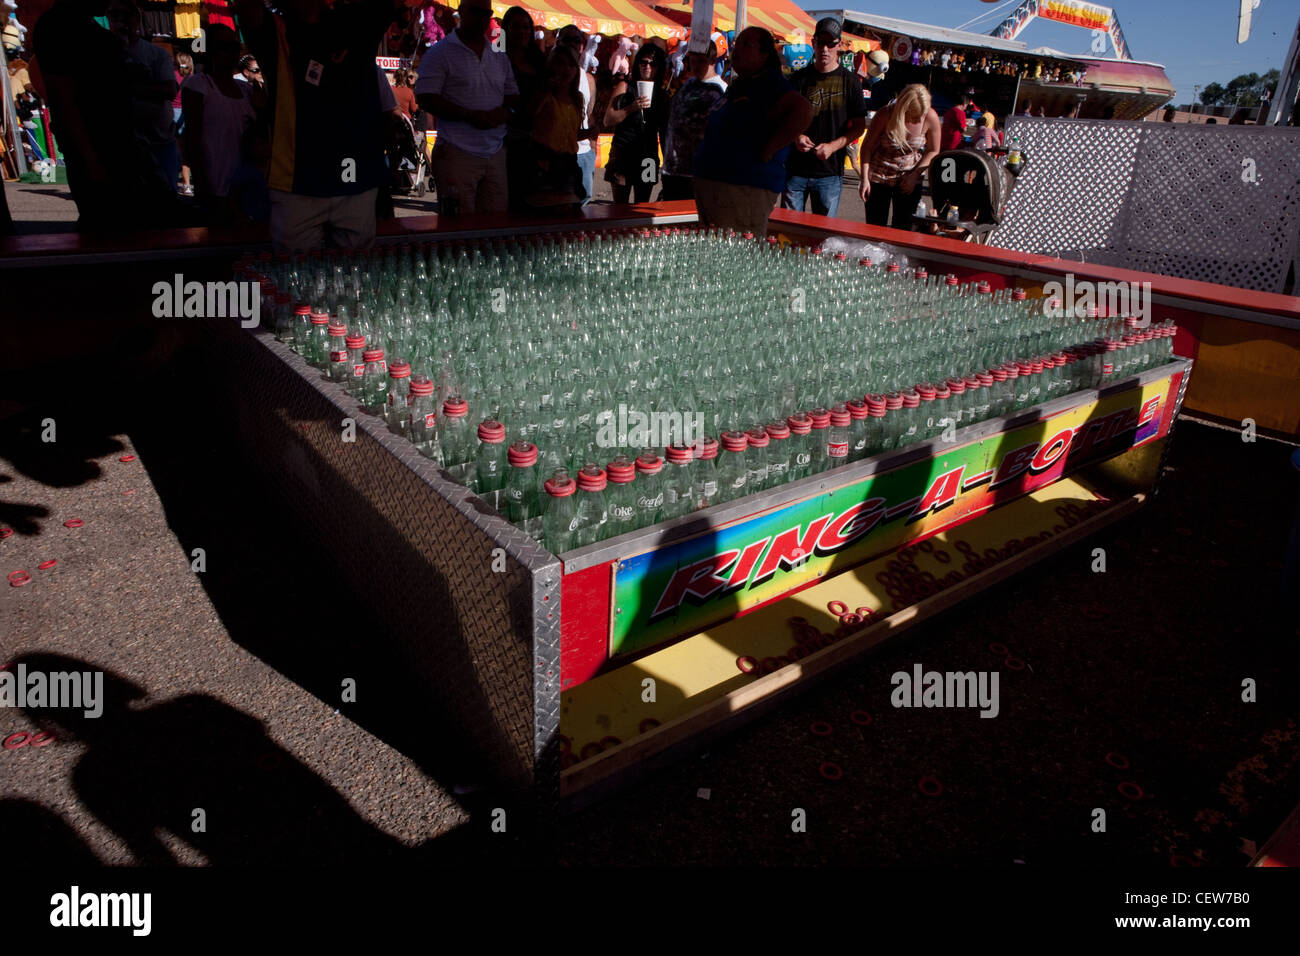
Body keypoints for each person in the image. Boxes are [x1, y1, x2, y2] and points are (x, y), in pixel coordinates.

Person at [234, 0, 401, 251]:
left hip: (355, 184)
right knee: (297, 283)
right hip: (298, 185)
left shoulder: (356, 21)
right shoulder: (276, 30)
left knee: (353, 283)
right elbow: (248, 10)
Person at [32, 0, 174, 231]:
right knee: (111, 224)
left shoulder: (90, 31)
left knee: (138, 221)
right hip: (103, 149)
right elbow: (64, 98)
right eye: (114, 12)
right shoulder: (60, 26)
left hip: (122, 145)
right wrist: (91, 159)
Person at [692, 27, 813, 234]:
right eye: (736, 44)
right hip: (718, 183)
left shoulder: (771, 83)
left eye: (747, 45)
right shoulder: (743, 84)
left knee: (736, 256)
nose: (737, 50)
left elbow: (803, 110)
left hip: (745, 187)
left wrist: (769, 149)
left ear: (765, 55)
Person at [416, 0, 518, 216]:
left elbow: (513, 97)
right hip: (456, 153)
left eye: (486, 13)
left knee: (493, 231)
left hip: (495, 153)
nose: (481, 17)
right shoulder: (440, 53)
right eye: (475, 11)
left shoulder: (498, 56)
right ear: (461, 12)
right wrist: (469, 115)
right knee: (458, 231)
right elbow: (425, 98)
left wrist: (505, 113)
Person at [782, 17, 866, 218]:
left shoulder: (851, 81)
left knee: (822, 238)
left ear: (839, 45)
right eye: (821, 43)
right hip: (796, 170)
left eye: (831, 44)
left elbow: (859, 126)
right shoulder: (797, 79)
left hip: (829, 172)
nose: (825, 49)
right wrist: (796, 136)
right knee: (790, 234)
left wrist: (833, 146)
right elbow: (783, 118)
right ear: (813, 43)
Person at [180, 23, 257, 222]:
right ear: (211, 50)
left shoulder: (246, 90)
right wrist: (202, 184)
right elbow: (192, 138)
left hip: (246, 183)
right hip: (214, 182)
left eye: (235, 48)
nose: (232, 53)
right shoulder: (199, 85)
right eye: (225, 47)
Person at [107, 0, 179, 196]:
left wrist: (128, 86)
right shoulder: (102, 54)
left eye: (126, 15)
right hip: (121, 144)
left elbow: (169, 89)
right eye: (115, 15)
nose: (121, 20)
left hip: (159, 140)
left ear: (137, 18)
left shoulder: (156, 53)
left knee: (167, 198)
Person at [858, 83, 940, 231]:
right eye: (911, 115)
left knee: (903, 227)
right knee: (875, 227)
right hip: (879, 175)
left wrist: (915, 175)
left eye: (918, 116)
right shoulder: (885, 114)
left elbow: (933, 150)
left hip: (909, 177)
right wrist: (864, 179)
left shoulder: (930, 117)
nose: (915, 120)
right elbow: (867, 147)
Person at [659, 40, 725, 202]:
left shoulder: (720, 89)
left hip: (700, 173)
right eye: (692, 60)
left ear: (712, 60)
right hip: (674, 170)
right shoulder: (689, 84)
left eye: (701, 61)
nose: (695, 66)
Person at [603, 42, 667, 204]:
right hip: (623, 153)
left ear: (659, 67)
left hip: (649, 156)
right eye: (643, 62)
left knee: (642, 207)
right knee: (620, 208)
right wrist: (631, 107)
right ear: (637, 64)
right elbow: (607, 119)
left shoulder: (661, 95)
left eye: (652, 63)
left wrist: (668, 163)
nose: (647, 67)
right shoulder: (624, 87)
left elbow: (665, 131)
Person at [524, 42, 584, 209]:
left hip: (569, 163)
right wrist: (546, 88)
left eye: (571, 65)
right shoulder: (545, 95)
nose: (567, 70)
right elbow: (529, 117)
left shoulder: (577, 98)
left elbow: (571, 134)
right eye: (561, 63)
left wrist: (589, 133)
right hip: (545, 161)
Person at [501, 5, 544, 213]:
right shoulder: (496, 60)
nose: (522, 32)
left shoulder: (539, 62)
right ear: (505, 29)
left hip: (535, 139)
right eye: (516, 27)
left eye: (526, 27)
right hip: (504, 140)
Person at [556, 23, 596, 206]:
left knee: (584, 201)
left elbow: (589, 115)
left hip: (583, 152)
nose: (572, 44)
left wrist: (593, 150)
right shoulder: (550, 77)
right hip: (558, 153)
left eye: (577, 40)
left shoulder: (588, 79)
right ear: (558, 42)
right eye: (567, 39)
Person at [173, 51, 194, 196]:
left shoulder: (172, 76)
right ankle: (187, 185)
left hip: (172, 113)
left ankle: (174, 183)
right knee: (188, 152)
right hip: (188, 114)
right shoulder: (193, 79)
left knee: (176, 152)